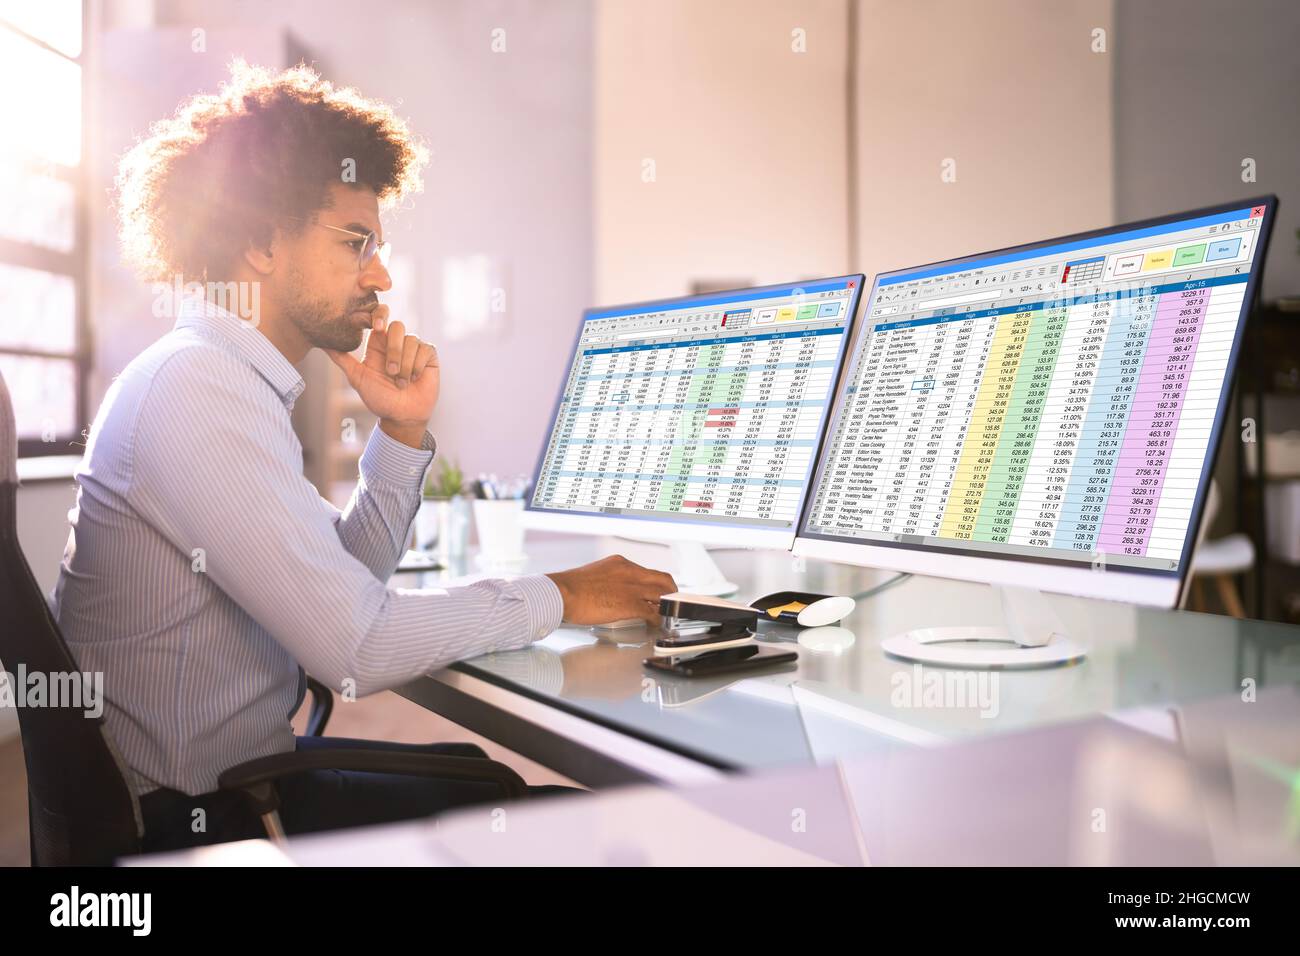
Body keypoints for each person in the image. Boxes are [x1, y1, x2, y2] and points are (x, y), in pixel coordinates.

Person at [52, 61, 675, 849]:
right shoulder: (198, 392)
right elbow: (359, 649)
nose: (380, 276)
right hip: (201, 821)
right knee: (562, 823)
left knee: (480, 775)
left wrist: (402, 432)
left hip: (238, 778)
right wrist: (562, 593)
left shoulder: (220, 382)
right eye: (357, 243)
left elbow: (348, 585)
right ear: (258, 242)